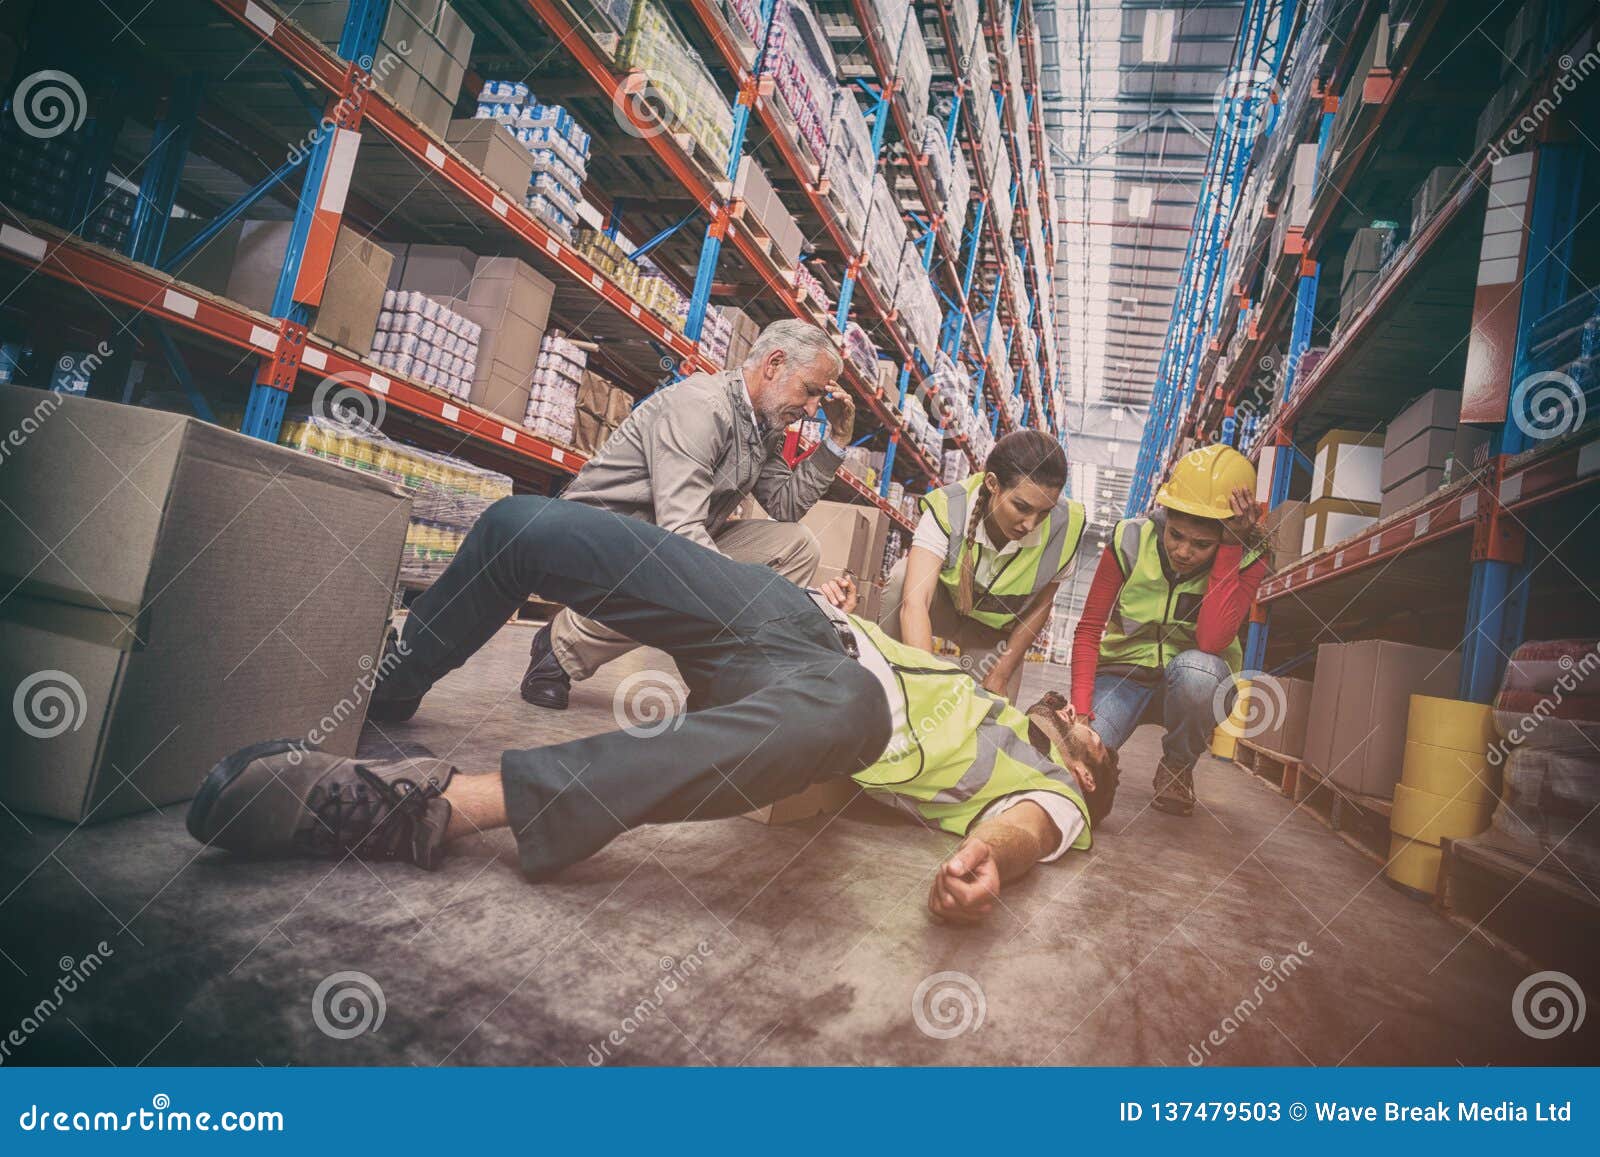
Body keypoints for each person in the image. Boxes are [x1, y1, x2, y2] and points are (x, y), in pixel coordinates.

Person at [186, 495, 1119, 926]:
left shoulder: (1049, 787)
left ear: (1084, 769)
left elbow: (1027, 830)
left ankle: (430, 806)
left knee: (852, 711)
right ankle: (387, 693)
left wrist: (987, 862)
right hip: (791, 618)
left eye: (1093, 737)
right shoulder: (987, 694)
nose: (1083, 717)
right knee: (524, 527)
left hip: (829, 700)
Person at [520, 319, 855, 710]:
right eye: (810, 391)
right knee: (689, 579)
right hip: (600, 543)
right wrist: (755, 598)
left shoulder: (765, 425)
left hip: (664, 541)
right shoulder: (701, 406)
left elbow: (786, 506)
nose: (813, 409)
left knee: (795, 546)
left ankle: (726, 681)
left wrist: (837, 440)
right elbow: (680, 532)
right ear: (774, 364)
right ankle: (560, 646)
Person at [1070, 443, 1267, 818]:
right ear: (1165, 515)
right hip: (1123, 676)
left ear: (1226, 534)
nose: (1183, 552)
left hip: (1196, 684)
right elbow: (1089, 629)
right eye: (1175, 534)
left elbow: (1212, 640)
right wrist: (1081, 713)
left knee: (1199, 672)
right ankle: (1101, 749)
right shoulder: (1130, 540)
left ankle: (1177, 767)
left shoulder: (1248, 558)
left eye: (1201, 544)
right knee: (1082, 759)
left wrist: (1229, 551)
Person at [879, 430, 1085, 703]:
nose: (1030, 524)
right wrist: (927, 683)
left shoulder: (1066, 527)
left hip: (994, 634)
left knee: (992, 713)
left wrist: (1000, 674)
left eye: (1044, 512)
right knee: (901, 579)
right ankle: (890, 681)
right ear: (992, 483)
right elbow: (916, 603)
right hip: (945, 609)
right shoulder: (950, 507)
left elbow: (1041, 607)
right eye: (1021, 507)